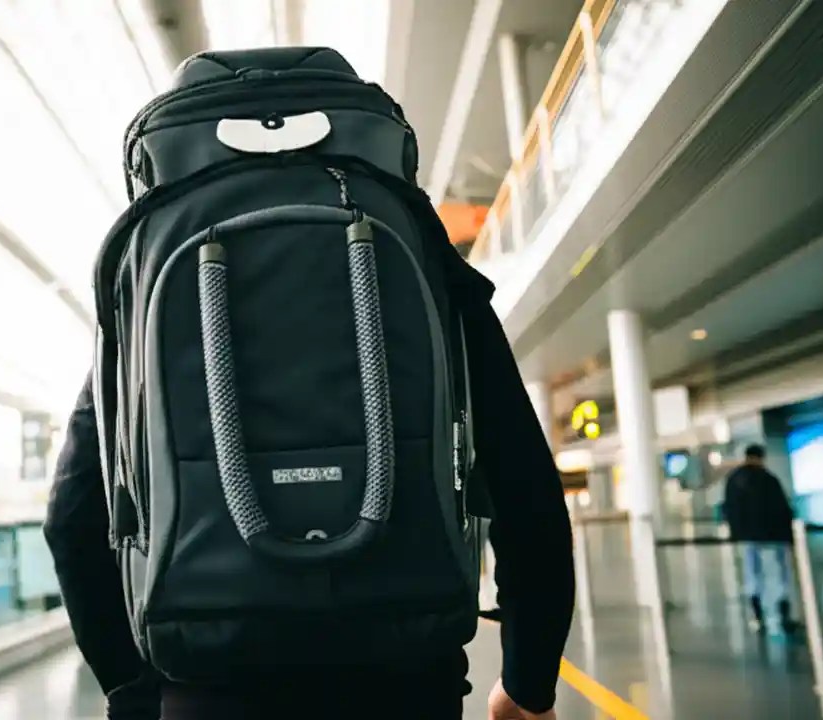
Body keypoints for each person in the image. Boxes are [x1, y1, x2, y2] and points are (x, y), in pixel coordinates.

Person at [45, 240, 574, 719]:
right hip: (409, 682)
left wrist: (133, 693)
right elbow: (524, 481)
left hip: (207, 687)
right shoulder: (418, 247)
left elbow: (71, 517)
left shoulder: (144, 283)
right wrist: (528, 682)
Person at [722, 444, 799, 633]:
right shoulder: (768, 479)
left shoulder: (735, 479)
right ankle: (784, 615)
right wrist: (789, 536)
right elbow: (782, 508)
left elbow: (730, 509)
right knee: (781, 574)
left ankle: (758, 616)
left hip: (748, 536)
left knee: (752, 574)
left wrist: (736, 533)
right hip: (774, 535)